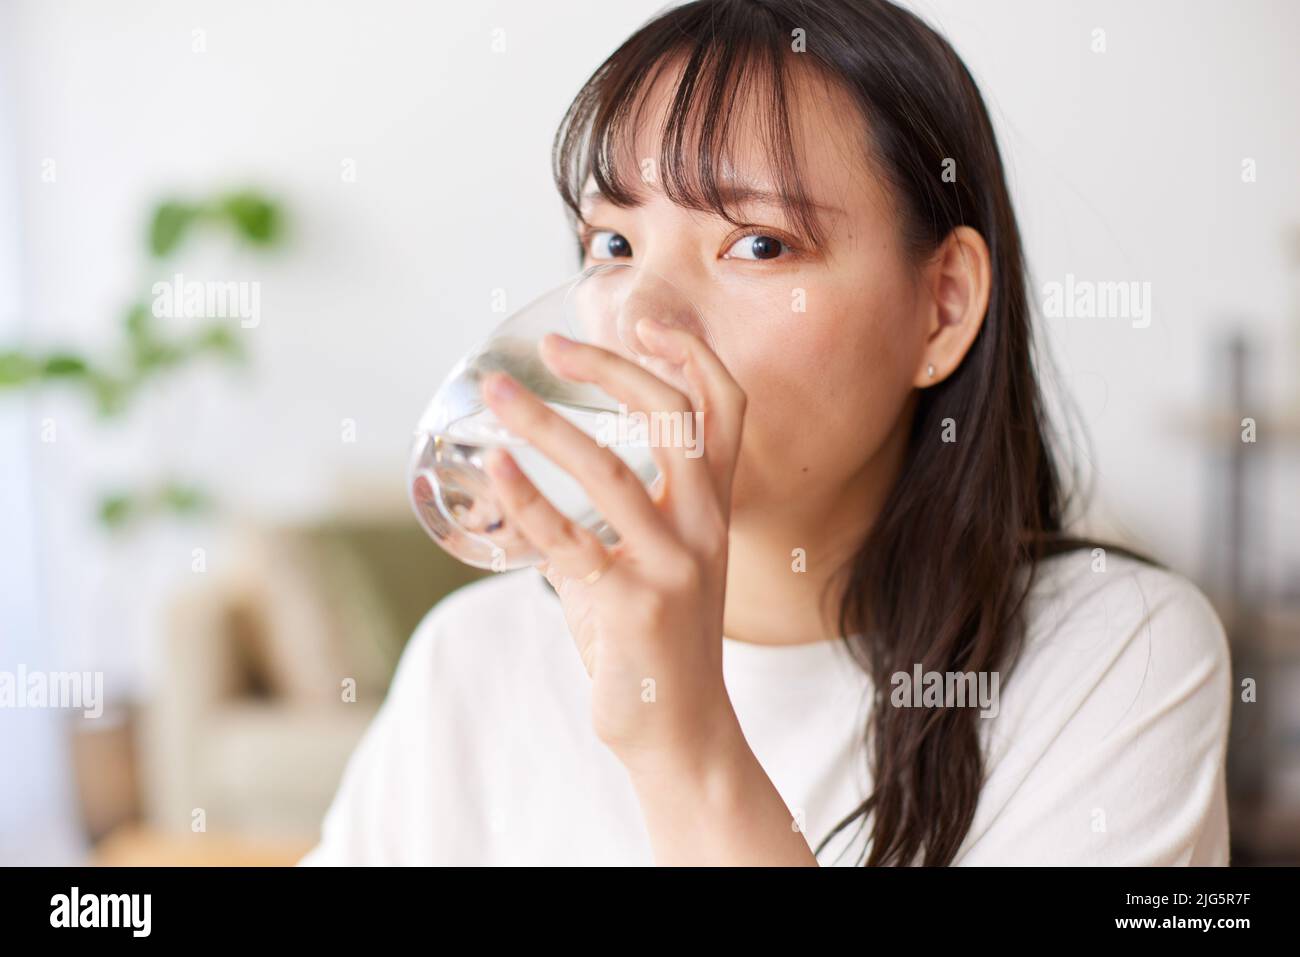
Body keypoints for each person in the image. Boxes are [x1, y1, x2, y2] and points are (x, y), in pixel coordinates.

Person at [300, 0, 1231, 866]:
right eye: (614, 247)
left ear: (942, 308)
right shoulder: (474, 658)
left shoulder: (1118, 656)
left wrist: (683, 742)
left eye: (758, 244)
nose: (642, 321)